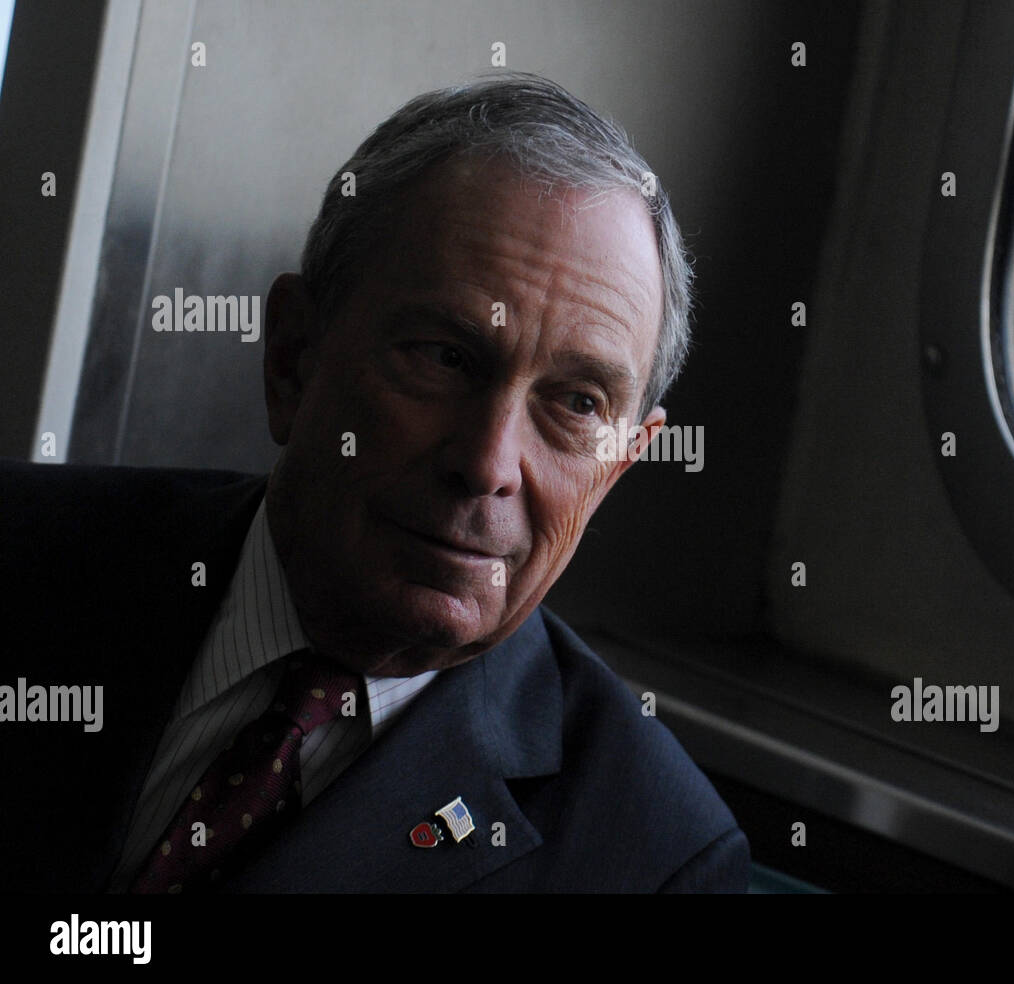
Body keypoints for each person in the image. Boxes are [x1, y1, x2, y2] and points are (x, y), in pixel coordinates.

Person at [0, 73, 749, 893]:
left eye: (575, 404)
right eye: (444, 357)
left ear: (615, 470)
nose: (489, 464)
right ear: (292, 358)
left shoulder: (654, 861)